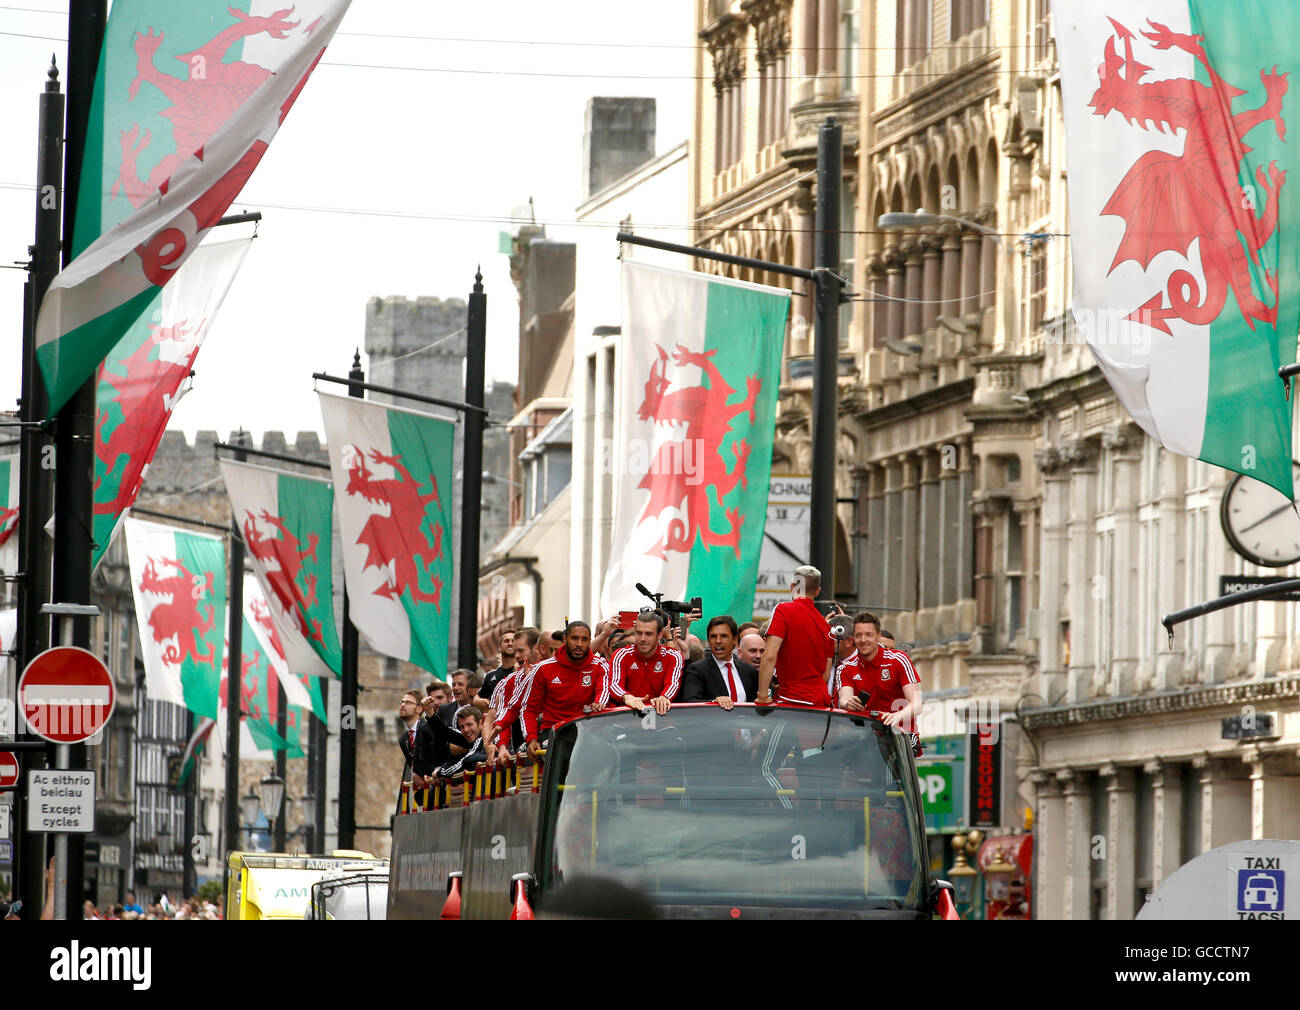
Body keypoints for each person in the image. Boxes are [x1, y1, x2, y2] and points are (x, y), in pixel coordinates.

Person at [521, 621, 611, 757]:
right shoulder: (543, 668)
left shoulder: (600, 665)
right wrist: (531, 739)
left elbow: (603, 691)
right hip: (554, 732)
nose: (579, 644)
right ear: (564, 639)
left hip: (588, 732)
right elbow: (529, 708)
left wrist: (599, 703)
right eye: (575, 638)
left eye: (584, 639)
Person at [755, 565, 838, 708]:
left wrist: (762, 696)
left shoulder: (783, 610)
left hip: (792, 700)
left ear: (792, 586)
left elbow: (769, 656)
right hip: (821, 700)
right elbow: (825, 675)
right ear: (818, 591)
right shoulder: (826, 627)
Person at [834, 612, 922, 730]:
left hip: (902, 737)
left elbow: (916, 705)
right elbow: (844, 699)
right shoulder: (845, 668)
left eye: (869, 635)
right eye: (858, 635)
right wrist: (849, 703)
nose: (863, 640)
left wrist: (895, 717)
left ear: (878, 636)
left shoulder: (899, 659)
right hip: (868, 739)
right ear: (853, 638)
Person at [608, 610, 684, 715]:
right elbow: (614, 684)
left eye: (649, 634)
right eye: (639, 633)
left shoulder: (673, 656)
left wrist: (664, 697)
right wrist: (626, 696)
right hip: (628, 719)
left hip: (662, 718)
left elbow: (673, 684)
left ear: (660, 635)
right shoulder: (621, 654)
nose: (643, 639)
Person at [682, 616, 757, 709]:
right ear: (709, 641)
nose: (718, 641)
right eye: (713, 637)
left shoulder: (748, 670)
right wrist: (714, 702)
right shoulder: (697, 670)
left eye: (723, 636)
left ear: (734, 640)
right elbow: (690, 701)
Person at [434, 706, 489, 780]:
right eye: (462, 727)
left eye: (469, 725)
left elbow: (466, 761)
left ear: (480, 723)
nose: (466, 730)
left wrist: (439, 772)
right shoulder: (470, 740)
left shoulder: (482, 738)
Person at [480, 630, 518, 708]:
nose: (510, 643)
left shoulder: (524, 672)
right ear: (499, 647)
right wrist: (477, 700)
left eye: (513, 641)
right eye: (506, 641)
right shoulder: (490, 676)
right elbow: (480, 696)